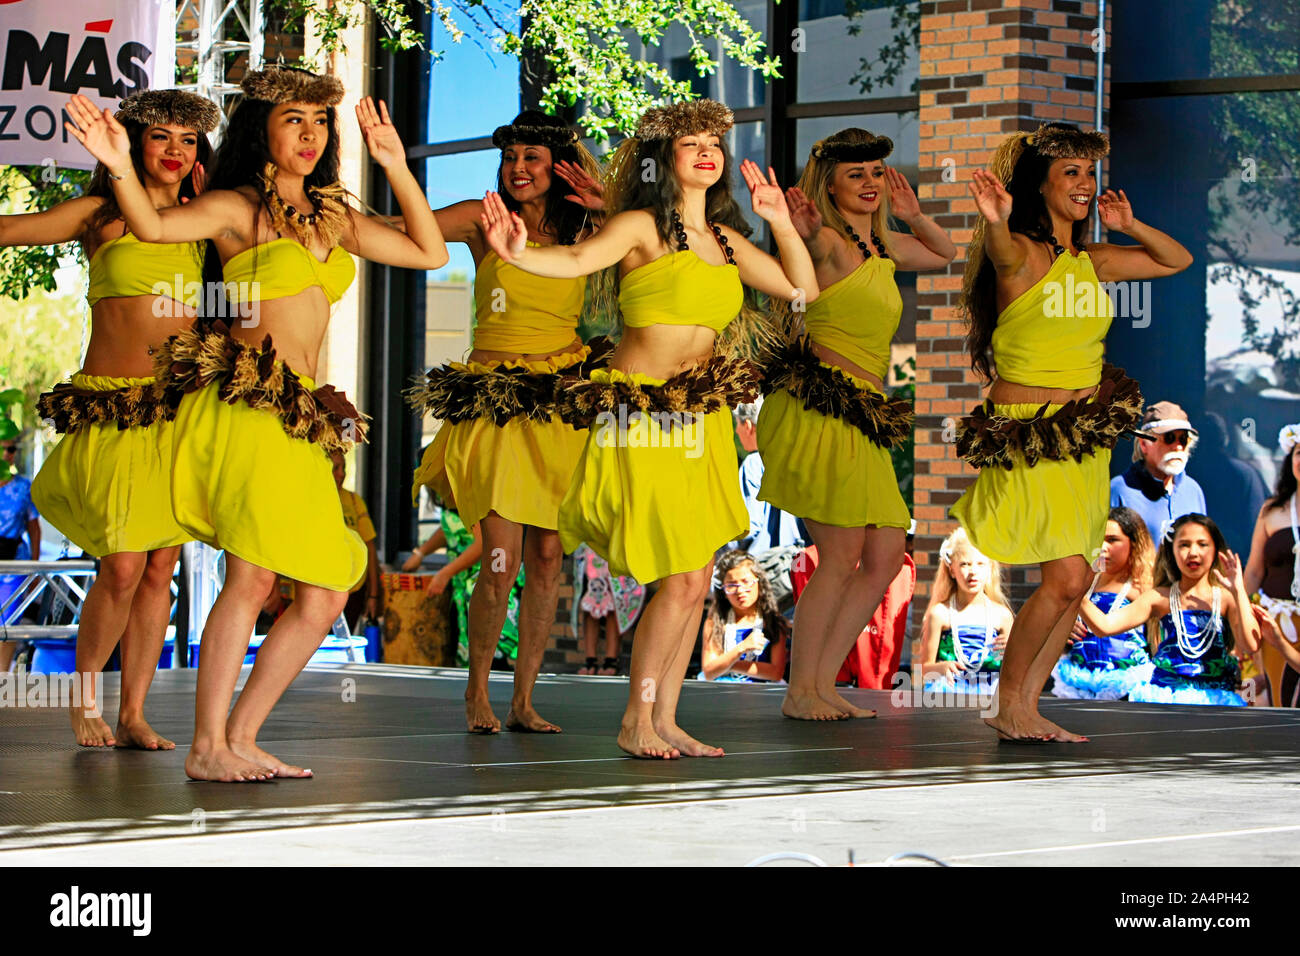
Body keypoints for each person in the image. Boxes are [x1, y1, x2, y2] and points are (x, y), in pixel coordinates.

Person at [66, 66, 448, 781]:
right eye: (293, 121)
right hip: (246, 406)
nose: (310, 135)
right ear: (262, 133)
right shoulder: (237, 208)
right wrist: (119, 165)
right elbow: (150, 223)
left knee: (329, 586)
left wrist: (395, 165)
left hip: (301, 419)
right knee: (249, 577)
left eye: (319, 122)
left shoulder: (331, 216)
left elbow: (430, 252)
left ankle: (237, 735)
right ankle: (209, 744)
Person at [481, 98, 818, 757]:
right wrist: (518, 253)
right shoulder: (637, 225)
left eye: (712, 145)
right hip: (638, 417)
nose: (703, 152)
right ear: (666, 159)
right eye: (689, 143)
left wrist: (779, 221)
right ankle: (637, 721)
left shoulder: (725, 242)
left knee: (694, 578)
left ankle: (663, 719)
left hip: (700, 422)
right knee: (681, 578)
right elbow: (576, 264)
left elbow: (801, 290)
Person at [951, 122, 1192, 741]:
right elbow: (1001, 252)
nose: (1085, 185)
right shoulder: (1022, 252)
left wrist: (1129, 225)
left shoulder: (1092, 260)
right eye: (1071, 174)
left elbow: (1177, 260)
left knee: (1078, 576)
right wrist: (997, 219)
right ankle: (1009, 704)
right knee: (1063, 577)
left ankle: (1027, 704)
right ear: (1042, 185)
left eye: (1090, 173)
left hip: (1083, 438)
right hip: (1031, 435)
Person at [2, 89, 219, 748]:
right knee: (122, 567)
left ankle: (133, 712)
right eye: (161, 138)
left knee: (160, 570)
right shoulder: (99, 216)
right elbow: (8, 231)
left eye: (187, 140)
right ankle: (86, 695)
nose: (175, 151)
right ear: (131, 144)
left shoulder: (204, 222)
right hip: (112, 411)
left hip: (179, 416)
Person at [408, 110, 605, 733]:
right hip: (496, 404)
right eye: (511, 157)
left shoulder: (587, 228)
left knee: (549, 555)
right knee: (502, 554)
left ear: (559, 167)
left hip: (558, 408)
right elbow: (405, 230)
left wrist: (608, 200)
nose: (519, 168)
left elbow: (657, 244)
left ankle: (523, 698)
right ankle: (478, 692)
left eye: (533, 158)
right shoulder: (482, 217)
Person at [757, 126, 956, 720]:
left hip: (861, 418)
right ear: (831, 185)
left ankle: (821, 683)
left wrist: (917, 215)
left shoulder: (884, 247)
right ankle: (801, 691)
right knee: (841, 554)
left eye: (875, 173)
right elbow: (804, 262)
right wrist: (794, 228)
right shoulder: (827, 240)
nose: (870, 183)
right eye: (856, 175)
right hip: (818, 410)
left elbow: (946, 252)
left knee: (887, 554)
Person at [1081, 513, 1257, 707]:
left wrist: (1239, 591)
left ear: (1215, 549)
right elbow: (1105, 626)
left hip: (1216, 700)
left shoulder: (1226, 598)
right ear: (1171, 550)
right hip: (1166, 700)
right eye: (1184, 545)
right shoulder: (1159, 598)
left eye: (1202, 544)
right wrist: (1077, 594)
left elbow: (1250, 645)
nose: (1193, 552)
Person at [1050, 507, 1156, 699]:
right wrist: (1063, 628)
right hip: (1076, 684)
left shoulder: (1145, 588)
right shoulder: (1084, 582)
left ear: (1135, 543)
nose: (1103, 547)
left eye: (1112, 540)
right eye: (1098, 539)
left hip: (1128, 689)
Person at [403, 505, 525, 668]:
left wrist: (445, 573)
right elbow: (451, 526)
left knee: (491, 657)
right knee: (470, 657)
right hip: (464, 587)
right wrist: (421, 552)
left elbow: (483, 543)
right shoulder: (452, 501)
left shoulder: (471, 493)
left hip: (486, 583)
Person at [917, 528, 1014, 696]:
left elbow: (1014, 670)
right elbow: (925, 668)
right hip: (949, 695)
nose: (973, 572)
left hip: (991, 695)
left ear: (990, 569)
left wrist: (1013, 650)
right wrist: (942, 667)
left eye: (980, 564)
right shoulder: (940, 614)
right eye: (964, 564)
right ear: (952, 570)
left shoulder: (1002, 615)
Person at [1244, 423, 1300, 706]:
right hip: (1276, 622)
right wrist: (1237, 615)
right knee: (1279, 700)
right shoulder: (1272, 510)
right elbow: (1254, 571)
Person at [1110, 401, 1207, 545]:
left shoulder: (1193, 490)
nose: (1178, 446)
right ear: (1144, 444)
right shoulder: (1119, 490)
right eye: (1169, 438)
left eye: (1183, 439)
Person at [700, 550, 790, 682]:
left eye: (746, 582)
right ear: (723, 591)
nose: (740, 590)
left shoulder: (774, 623)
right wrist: (742, 648)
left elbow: (775, 673)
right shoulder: (715, 622)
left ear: (759, 583)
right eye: (731, 585)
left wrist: (728, 665)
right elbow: (709, 672)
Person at [1191, 412, 1270, 561]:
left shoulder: (1187, 474)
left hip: (1220, 561)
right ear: (1225, 440)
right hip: (1234, 559)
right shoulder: (1185, 478)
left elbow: (1255, 523)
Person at [329, 450, 381, 631]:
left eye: (344, 467)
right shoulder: (311, 497)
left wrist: (373, 595)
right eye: (335, 468)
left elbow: (370, 547)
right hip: (321, 590)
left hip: (353, 591)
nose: (341, 473)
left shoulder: (354, 500)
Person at [0, 438, 40, 672]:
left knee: (8, 623)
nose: (7, 454)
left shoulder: (24, 487)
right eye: (2, 448)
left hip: (13, 564)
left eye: (11, 449)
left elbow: (34, 528)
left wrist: (35, 568)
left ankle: (2, 677)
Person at [573, 543, 644, 675]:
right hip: (590, 542)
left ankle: (611, 659)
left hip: (615, 540)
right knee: (590, 599)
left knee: (615, 600)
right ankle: (590, 659)